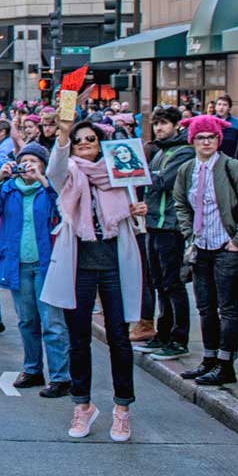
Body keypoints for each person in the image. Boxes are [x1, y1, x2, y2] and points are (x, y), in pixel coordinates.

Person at [45, 117, 147, 442]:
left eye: (90, 139)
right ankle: (83, 405)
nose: (85, 144)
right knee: (79, 340)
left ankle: (122, 409)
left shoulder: (118, 172)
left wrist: (137, 209)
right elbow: (54, 169)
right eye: (79, 141)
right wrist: (63, 133)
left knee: (119, 336)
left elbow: (132, 206)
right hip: (80, 264)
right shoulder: (70, 173)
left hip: (115, 262)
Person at [172, 113, 238, 388]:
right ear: (193, 140)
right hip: (201, 247)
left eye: (211, 137)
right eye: (201, 137)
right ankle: (208, 359)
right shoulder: (188, 170)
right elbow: (180, 204)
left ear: (219, 139)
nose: (206, 142)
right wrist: (189, 235)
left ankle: (225, 364)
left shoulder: (231, 167)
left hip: (227, 247)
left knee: (228, 308)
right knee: (205, 307)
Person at [0, 143, 70, 397]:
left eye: (35, 161)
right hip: (17, 263)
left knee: (52, 322)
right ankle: (32, 369)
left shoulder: (48, 190)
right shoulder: (8, 189)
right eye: (24, 160)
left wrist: (43, 180)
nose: (28, 165)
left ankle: (60, 376)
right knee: (27, 320)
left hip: (46, 263)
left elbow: (63, 208)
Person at [140, 107, 194, 360]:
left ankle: (177, 337)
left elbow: (162, 181)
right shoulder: (160, 152)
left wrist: (136, 171)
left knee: (172, 284)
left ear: (176, 125)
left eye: (163, 123)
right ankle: (162, 335)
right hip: (154, 223)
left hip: (170, 226)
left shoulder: (183, 152)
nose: (159, 128)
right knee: (159, 282)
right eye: (156, 124)